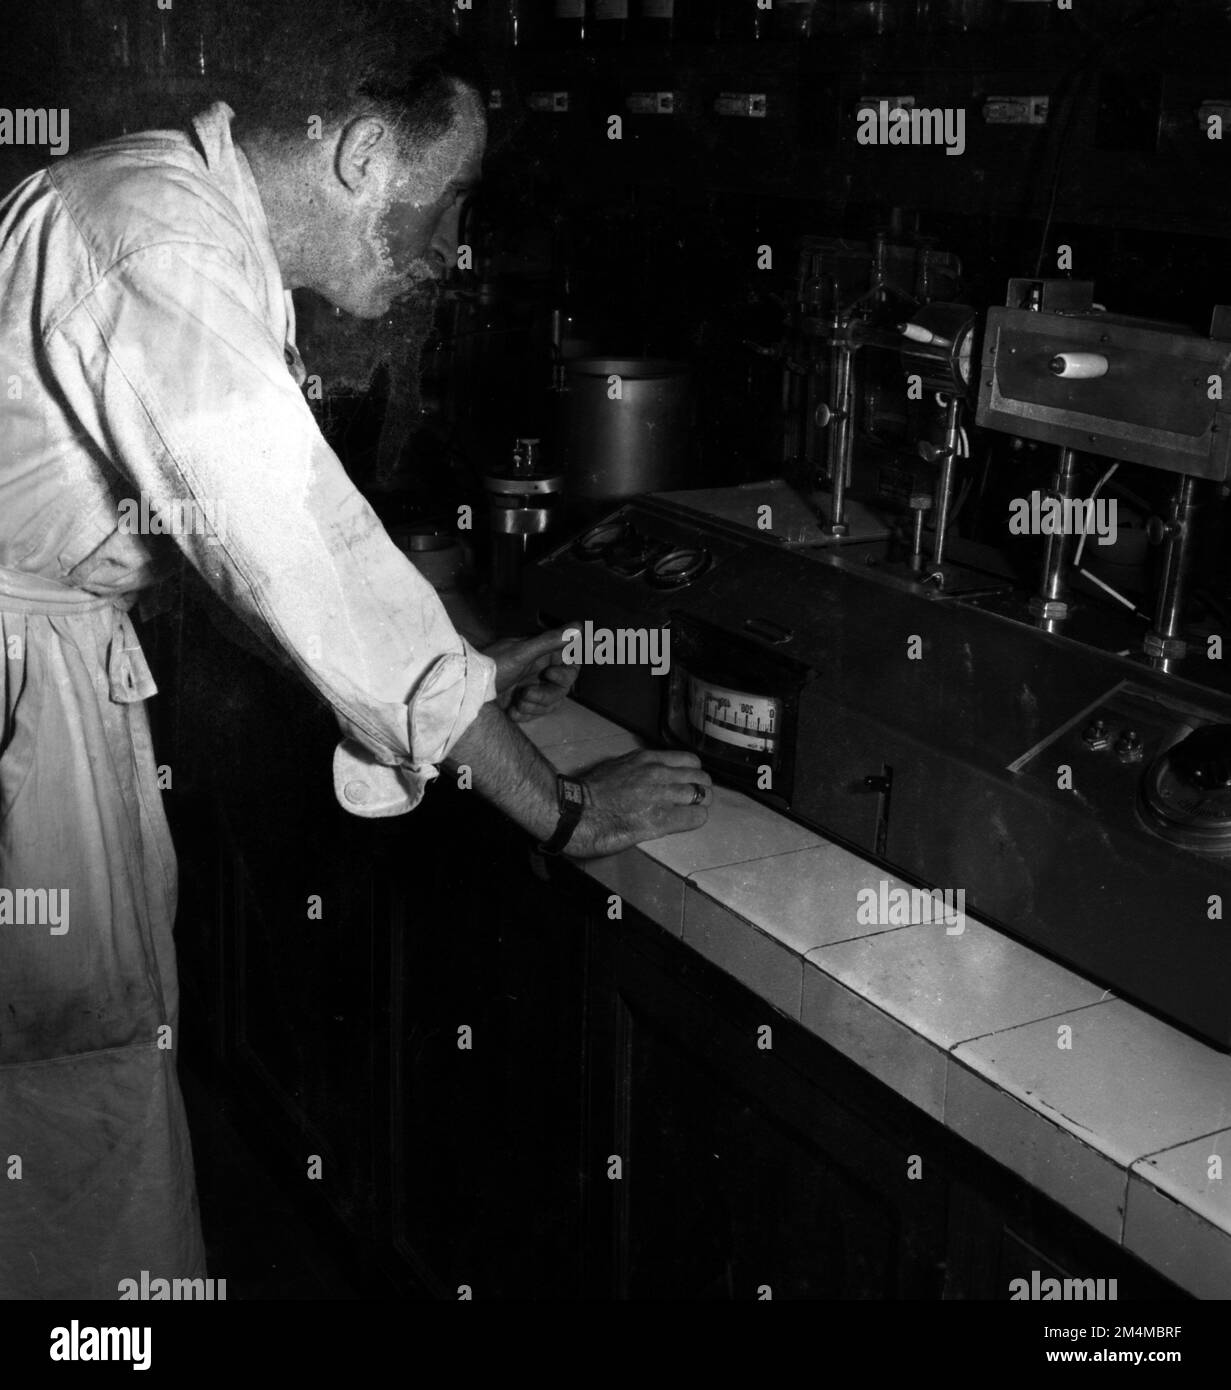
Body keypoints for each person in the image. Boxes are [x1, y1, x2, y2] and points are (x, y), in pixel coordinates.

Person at [0, 1, 709, 1299]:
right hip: (24, 711)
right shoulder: (159, 242)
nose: (453, 247)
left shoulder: (178, 220)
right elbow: (305, 553)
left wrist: (464, 683)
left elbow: (245, 565)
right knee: (70, 1119)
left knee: (76, 1097)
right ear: (366, 153)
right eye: (448, 202)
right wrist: (552, 804)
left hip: (50, 680)